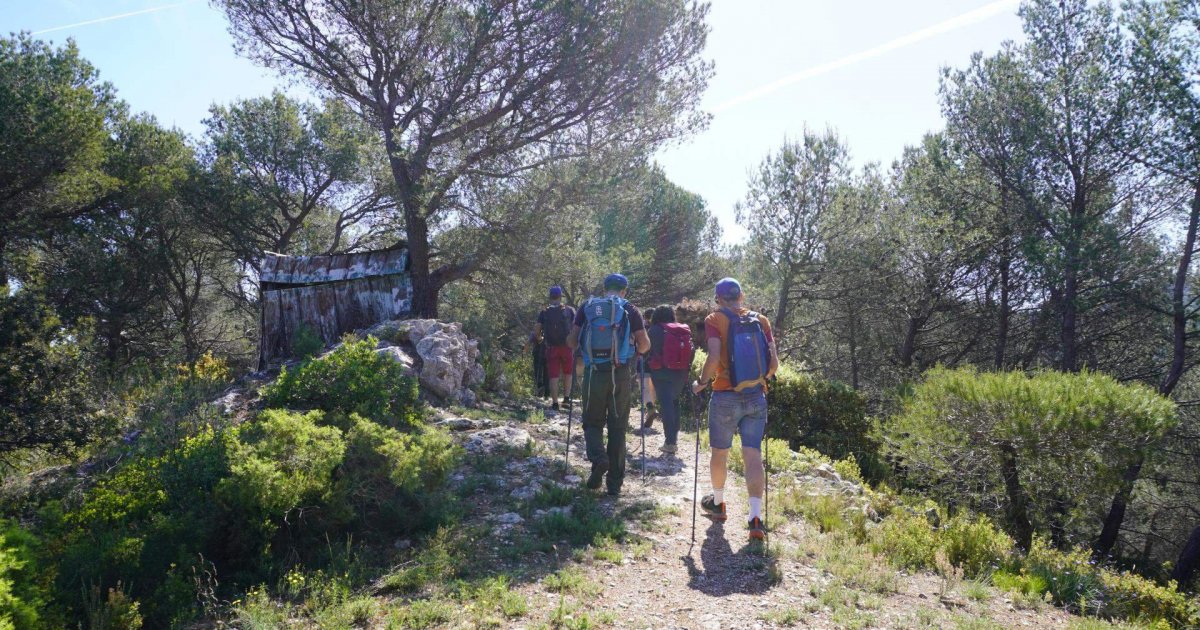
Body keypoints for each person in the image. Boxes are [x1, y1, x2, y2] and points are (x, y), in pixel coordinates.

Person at [692, 278, 778, 541]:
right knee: (752, 455)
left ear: (718, 298)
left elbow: (714, 356)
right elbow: (774, 364)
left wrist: (702, 383)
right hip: (756, 396)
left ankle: (718, 504)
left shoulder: (715, 319)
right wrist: (758, 381)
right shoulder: (761, 320)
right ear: (741, 294)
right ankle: (755, 518)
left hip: (725, 396)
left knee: (720, 452)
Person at [567, 273, 650, 496]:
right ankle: (614, 485)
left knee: (591, 423)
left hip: (593, 374)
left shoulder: (587, 307)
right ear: (624, 290)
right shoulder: (630, 309)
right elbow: (644, 345)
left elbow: (572, 342)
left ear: (605, 289)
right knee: (617, 429)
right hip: (620, 374)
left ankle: (598, 458)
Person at [645, 305, 691, 455]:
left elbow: (647, 350)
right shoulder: (681, 329)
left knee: (666, 406)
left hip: (661, 372)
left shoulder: (655, 330)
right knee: (674, 403)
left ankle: (670, 443)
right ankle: (673, 439)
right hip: (680, 373)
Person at [533, 286, 576, 410]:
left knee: (554, 375)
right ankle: (567, 399)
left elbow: (537, 328)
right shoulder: (569, 310)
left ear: (550, 297)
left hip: (551, 347)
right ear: (561, 296)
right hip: (567, 346)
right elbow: (576, 327)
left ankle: (555, 403)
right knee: (568, 373)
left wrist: (540, 338)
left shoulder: (544, 312)